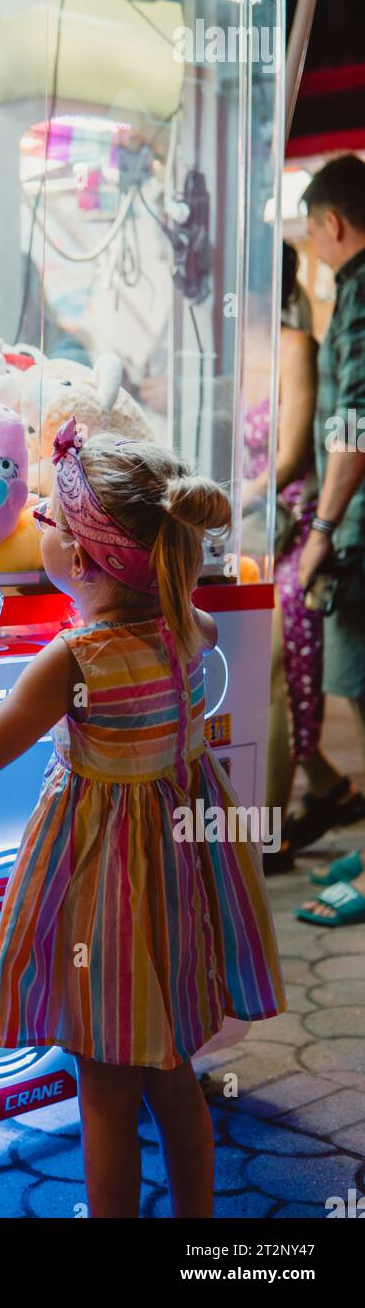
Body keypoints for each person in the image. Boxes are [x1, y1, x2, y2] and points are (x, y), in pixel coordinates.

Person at [0, 422, 286, 1218]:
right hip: (174, 894)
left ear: (83, 561)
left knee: (104, 1095)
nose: (38, 526)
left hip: (104, 896)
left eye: (48, 516)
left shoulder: (74, 660)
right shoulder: (192, 628)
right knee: (171, 1071)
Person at [243, 242, 365, 875]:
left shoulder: (297, 348)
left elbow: (291, 456)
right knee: (262, 673)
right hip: (246, 529)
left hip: (292, 524)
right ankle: (328, 788)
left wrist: (237, 495)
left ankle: (269, 836)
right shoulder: (234, 354)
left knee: (272, 668)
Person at [296, 155, 365, 926]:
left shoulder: (360, 293)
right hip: (355, 521)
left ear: (333, 224)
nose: (314, 248)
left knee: (363, 685)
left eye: (314, 233)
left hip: (358, 530)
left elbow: (356, 421)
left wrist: (321, 528)